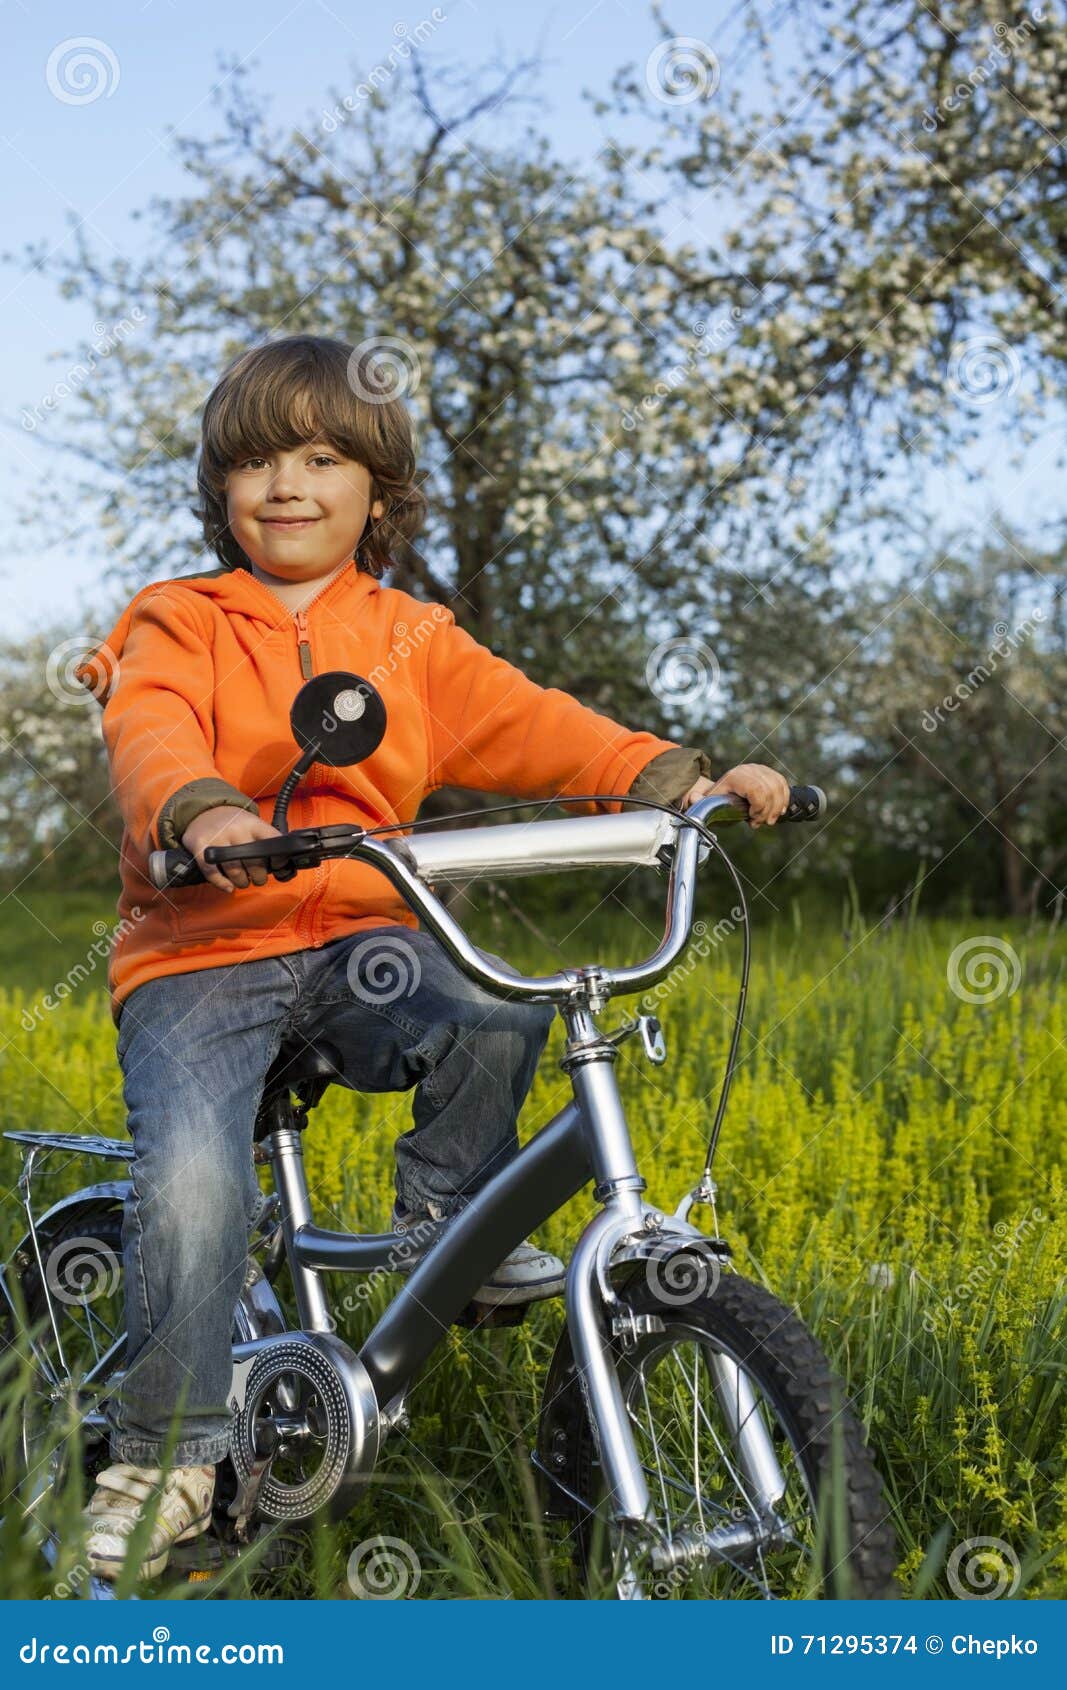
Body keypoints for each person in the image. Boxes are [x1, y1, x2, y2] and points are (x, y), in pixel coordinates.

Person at [73, 334, 790, 1580]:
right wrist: (205, 814)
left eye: (319, 457)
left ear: (377, 493)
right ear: (218, 492)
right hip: (200, 955)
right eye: (252, 462)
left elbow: (536, 725)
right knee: (195, 1185)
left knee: (505, 1009)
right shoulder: (176, 622)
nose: (284, 484)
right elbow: (148, 734)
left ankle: (445, 1233)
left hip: (362, 940)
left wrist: (681, 780)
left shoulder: (409, 638)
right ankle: (168, 1453)